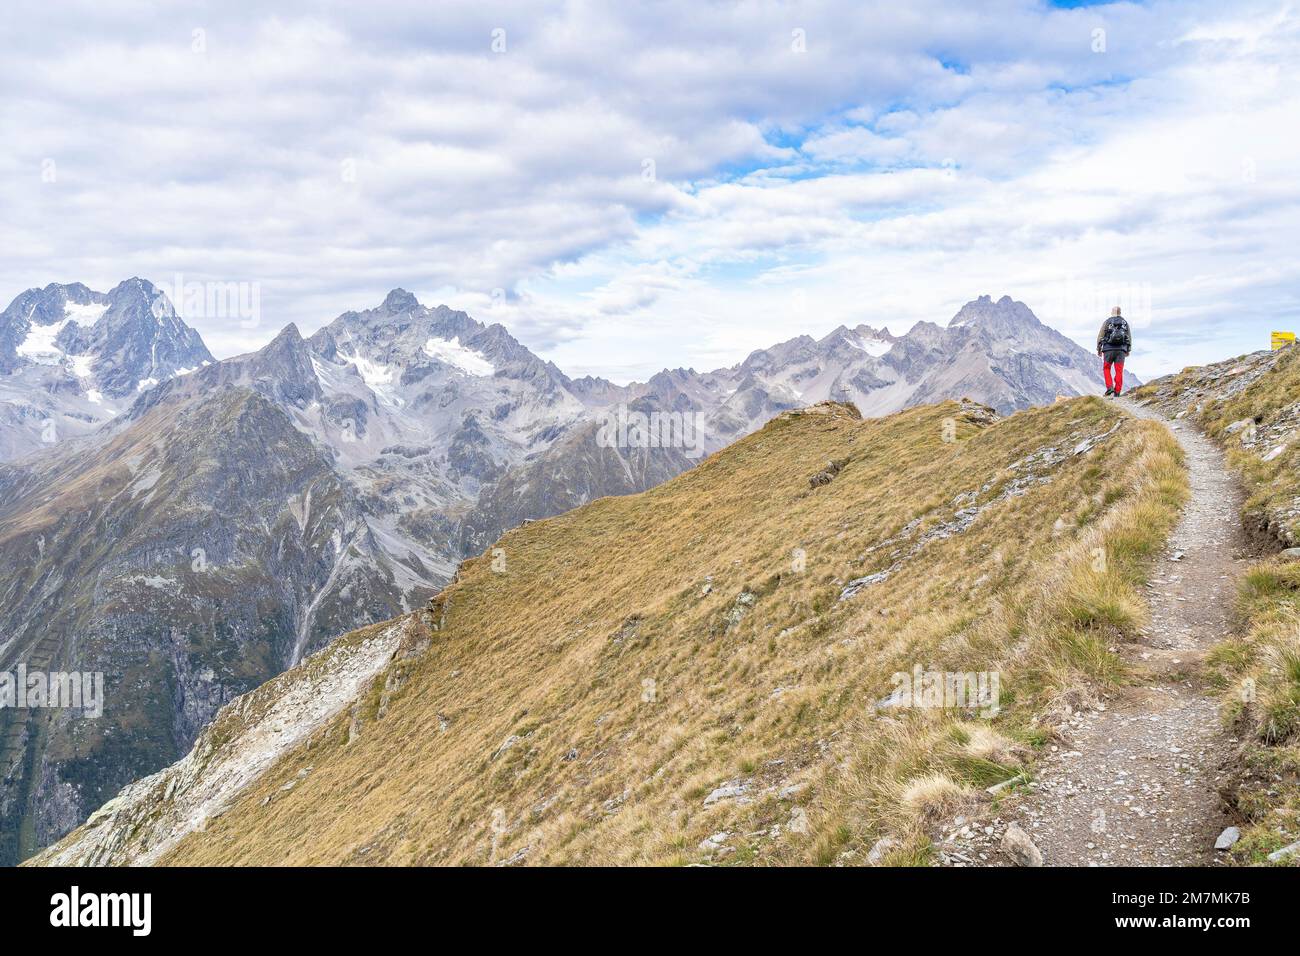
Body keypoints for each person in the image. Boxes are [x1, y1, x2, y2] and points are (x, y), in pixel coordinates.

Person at [1096, 306, 1131, 396]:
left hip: (1108, 350)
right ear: (1120, 312)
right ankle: (1117, 392)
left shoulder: (1107, 322)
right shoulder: (1125, 323)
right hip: (1121, 350)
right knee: (1119, 371)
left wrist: (1099, 349)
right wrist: (1128, 349)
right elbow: (1129, 337)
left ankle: (1109, 387)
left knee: (1106, 368)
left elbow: (1100, 335)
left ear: (1112, 312)